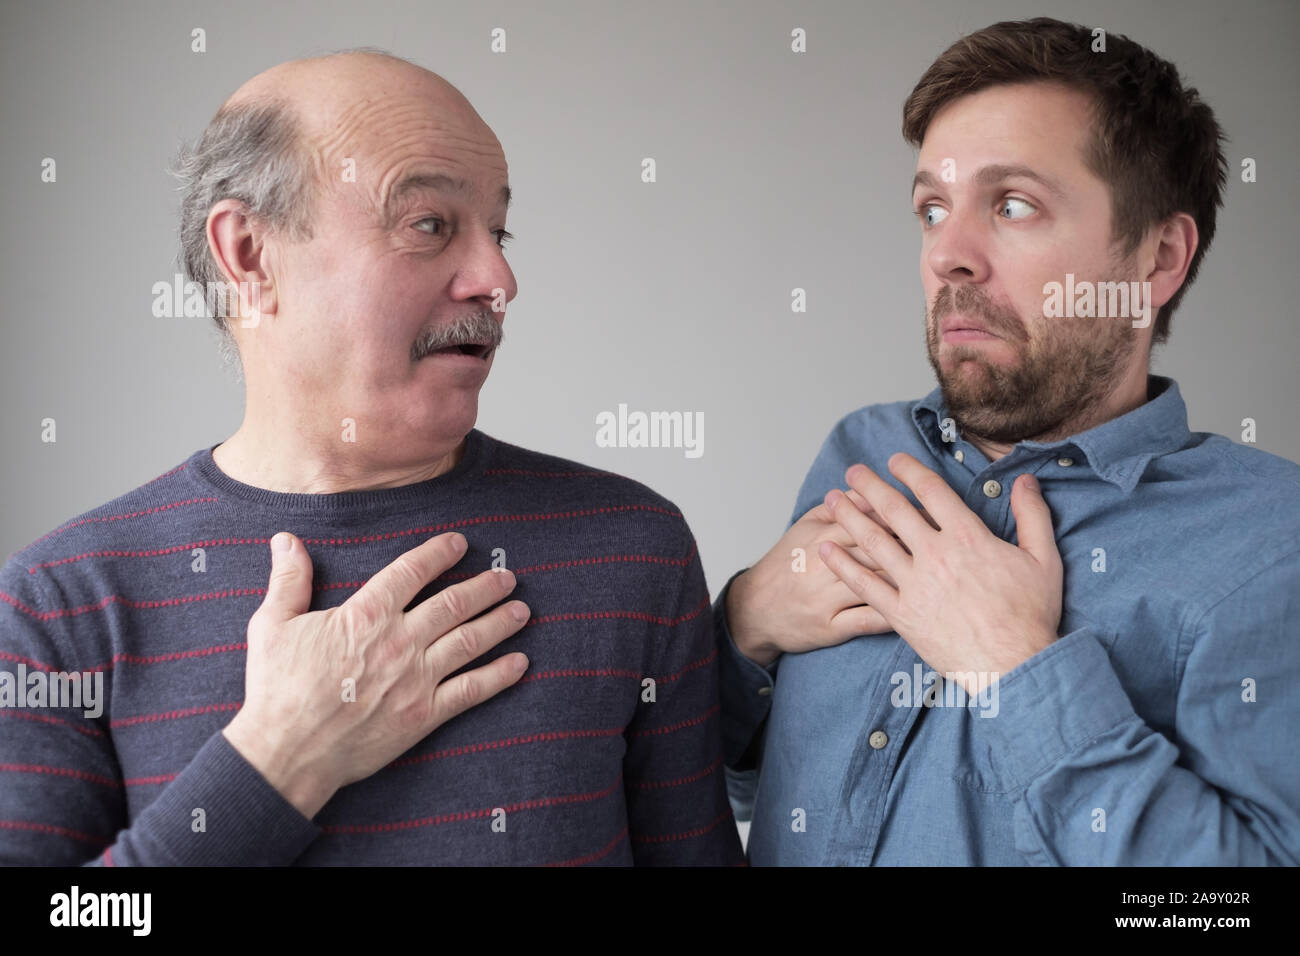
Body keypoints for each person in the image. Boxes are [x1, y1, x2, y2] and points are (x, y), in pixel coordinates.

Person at [0, 50, 742, 866]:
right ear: (249, 254)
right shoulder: (58, 607)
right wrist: (281, 760)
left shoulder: (633, 547)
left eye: (498, 231)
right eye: (429, 224)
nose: (499, 278)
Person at [717, 17, 1300, 865]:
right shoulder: (862, 453)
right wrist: (743, 628)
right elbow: (741, 786)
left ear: (1158, 258)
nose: (948, 255)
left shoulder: (1272, 541)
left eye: (1014, 205)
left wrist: (1018, 673)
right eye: (931, 209)